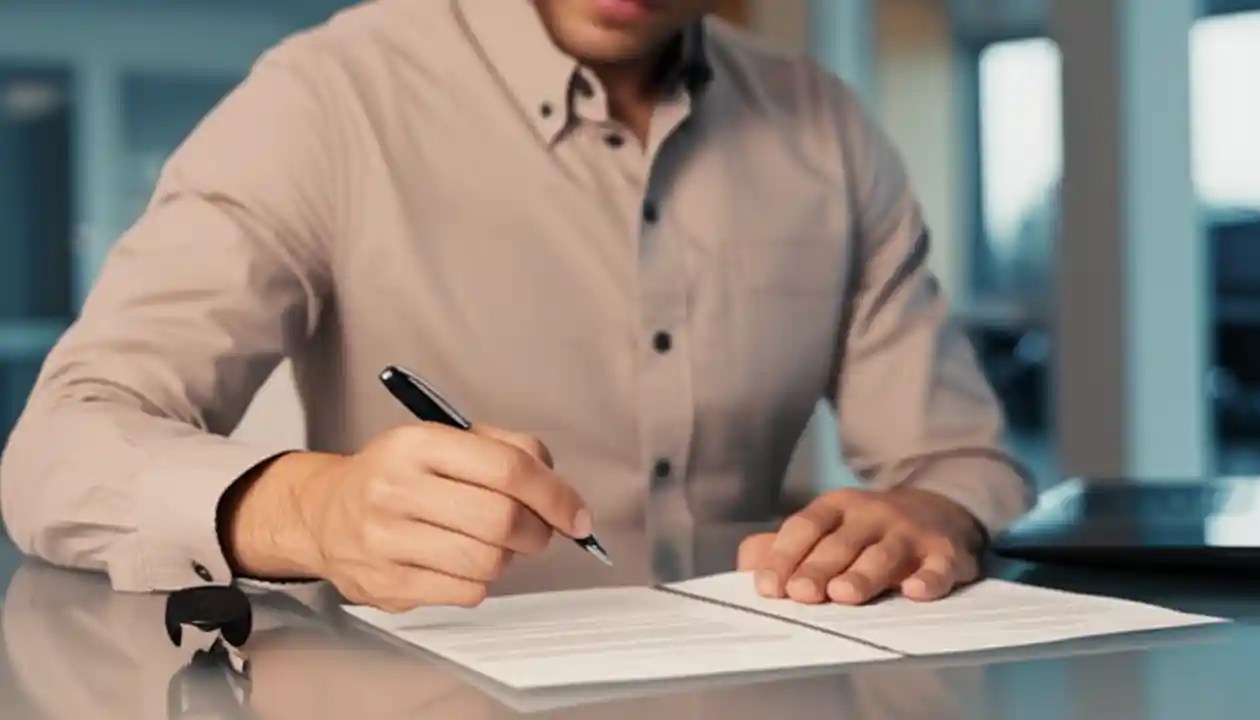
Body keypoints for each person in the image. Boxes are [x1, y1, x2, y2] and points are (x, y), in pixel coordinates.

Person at [0, 0, 1030, 613]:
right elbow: (57, 449)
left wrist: (926, 515)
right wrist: (306, 511)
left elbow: (967, 461)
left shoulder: (826, 126)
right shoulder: (326, 97)